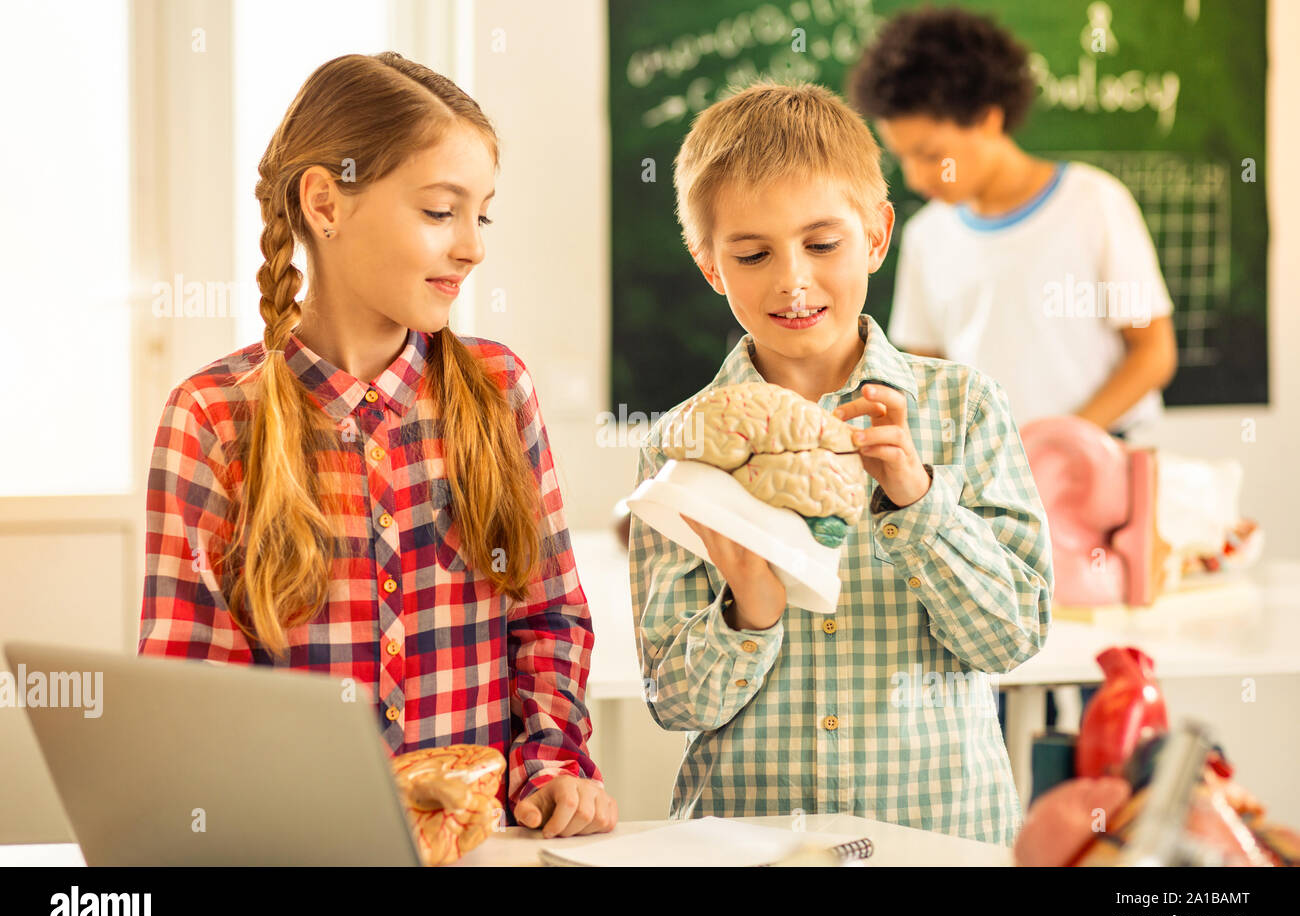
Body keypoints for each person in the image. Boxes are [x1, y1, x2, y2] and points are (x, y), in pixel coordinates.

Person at [138, 52, 615, 839]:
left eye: (481, 217)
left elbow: (549, 619)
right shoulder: (215, 416)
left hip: (483, 847)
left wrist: (553, 764)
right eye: (440, 211)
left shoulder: (499, 391)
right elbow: (195, 685)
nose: (473, 248)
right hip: (300, 846)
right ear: (325, 203)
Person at [627, 81, 1053, 846]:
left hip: (938, 843)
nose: (792, 280)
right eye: (753, 254)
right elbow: (675, 702)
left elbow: (1013, 636)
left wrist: (918, 503)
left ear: (878, 236)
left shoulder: (964, 410)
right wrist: (749, 611)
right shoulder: (679, 447)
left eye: (822, 244)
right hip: (751, 846)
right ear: (710, 265)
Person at [849, 6, 1178, 444]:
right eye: (902, 157)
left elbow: (1154, 353)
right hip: (985, 470)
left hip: (1099, 459)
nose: (914, 177)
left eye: (930, 155)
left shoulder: (1094, 203)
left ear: (989, 118)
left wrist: (1060, 442)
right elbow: (929, 373)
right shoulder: (925, 236)